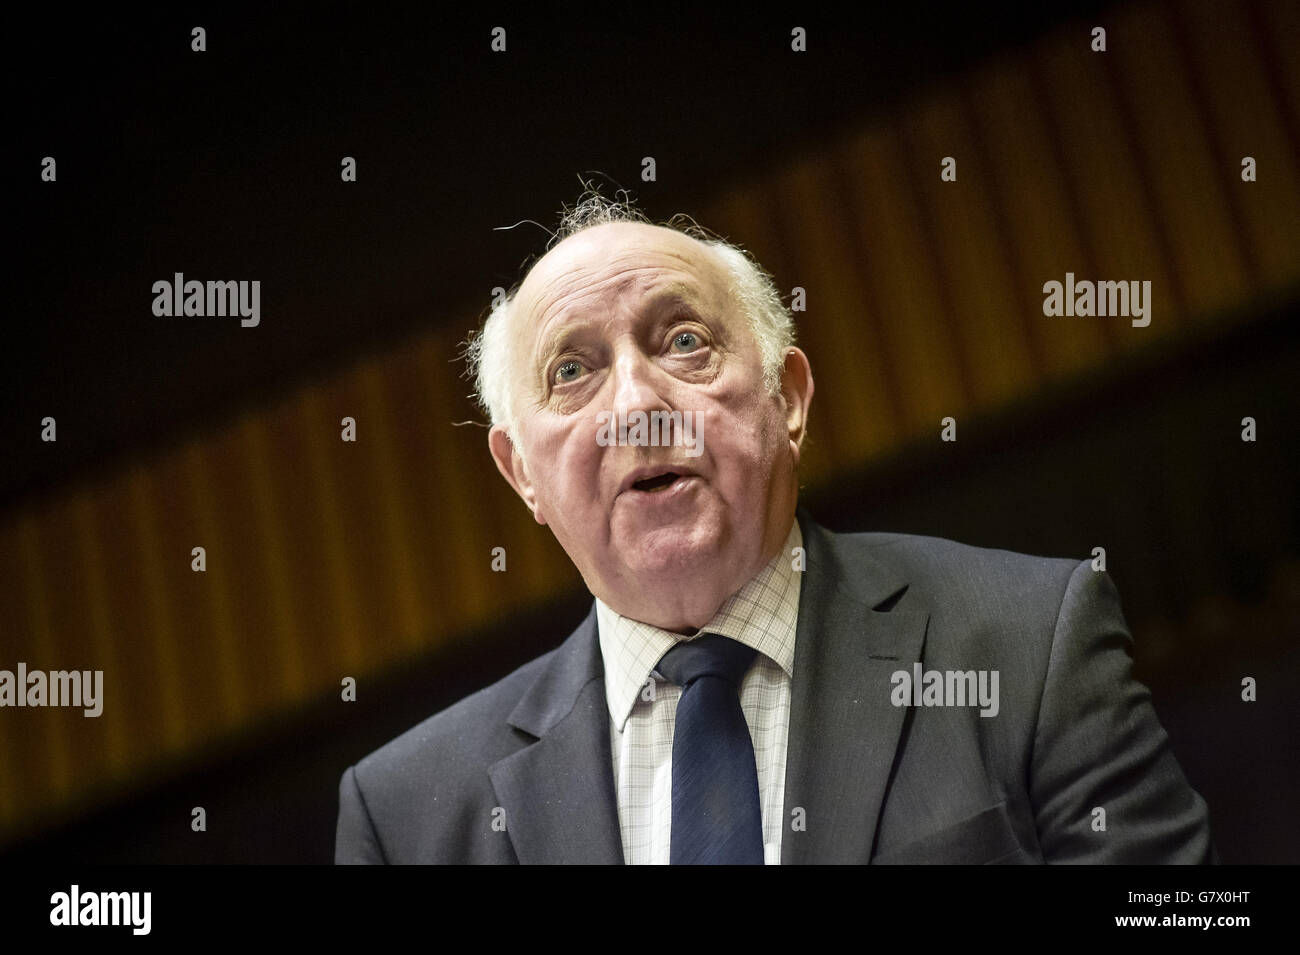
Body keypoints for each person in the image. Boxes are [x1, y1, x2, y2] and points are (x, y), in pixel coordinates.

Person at [334, 192, 1214, 864]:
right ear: (522, 470)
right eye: (572, 369)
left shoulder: (1028, 639)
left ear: (787, 400)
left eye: (683, 341)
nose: (638, 406)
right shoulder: (409, 813)